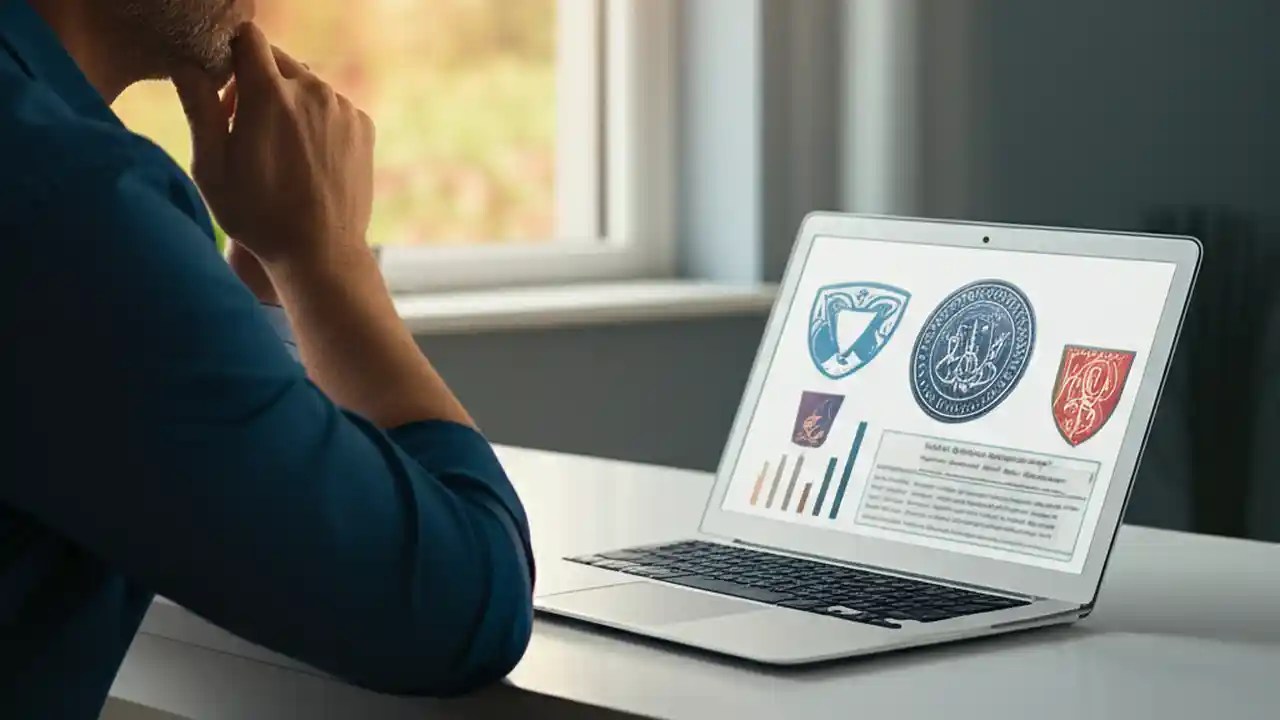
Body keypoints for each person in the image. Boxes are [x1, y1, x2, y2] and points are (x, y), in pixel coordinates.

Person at [0, 0, 535, 716]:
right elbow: (464, 607)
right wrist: (329, 264)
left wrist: (265, 296)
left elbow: (176, 477)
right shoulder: (67, 201)